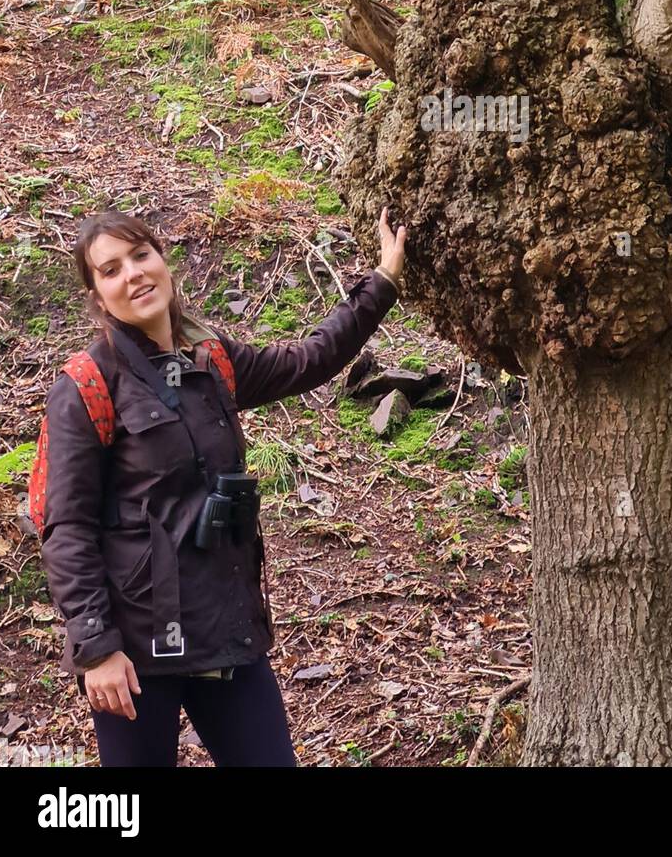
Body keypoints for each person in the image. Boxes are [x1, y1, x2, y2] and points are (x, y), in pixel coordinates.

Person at [37, 205, 406, 767]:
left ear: (162, 260)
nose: (133, 274)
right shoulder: (87, 386)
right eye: (110, 270)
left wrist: (382, 280)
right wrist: (96, 649)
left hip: (224, 630)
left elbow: (308, 360)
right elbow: (66, 529)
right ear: (97, 295)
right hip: (136, 651)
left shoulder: (209, 358)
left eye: (141, 255)